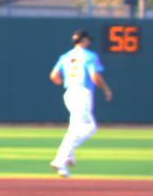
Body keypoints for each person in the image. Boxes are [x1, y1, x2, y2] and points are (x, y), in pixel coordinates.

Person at [48, 28, 113, 178]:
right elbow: (95, 76)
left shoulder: (65, 56)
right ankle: (60, 159)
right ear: (84, 40)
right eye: (88, 39)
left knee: (80, 127)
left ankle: (67, 157)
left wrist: (64, 82)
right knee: (85, 128)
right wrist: (106, 89)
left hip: (69, 93)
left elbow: (54, 76)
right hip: (82, 93)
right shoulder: (89, 55)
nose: (89, 41)